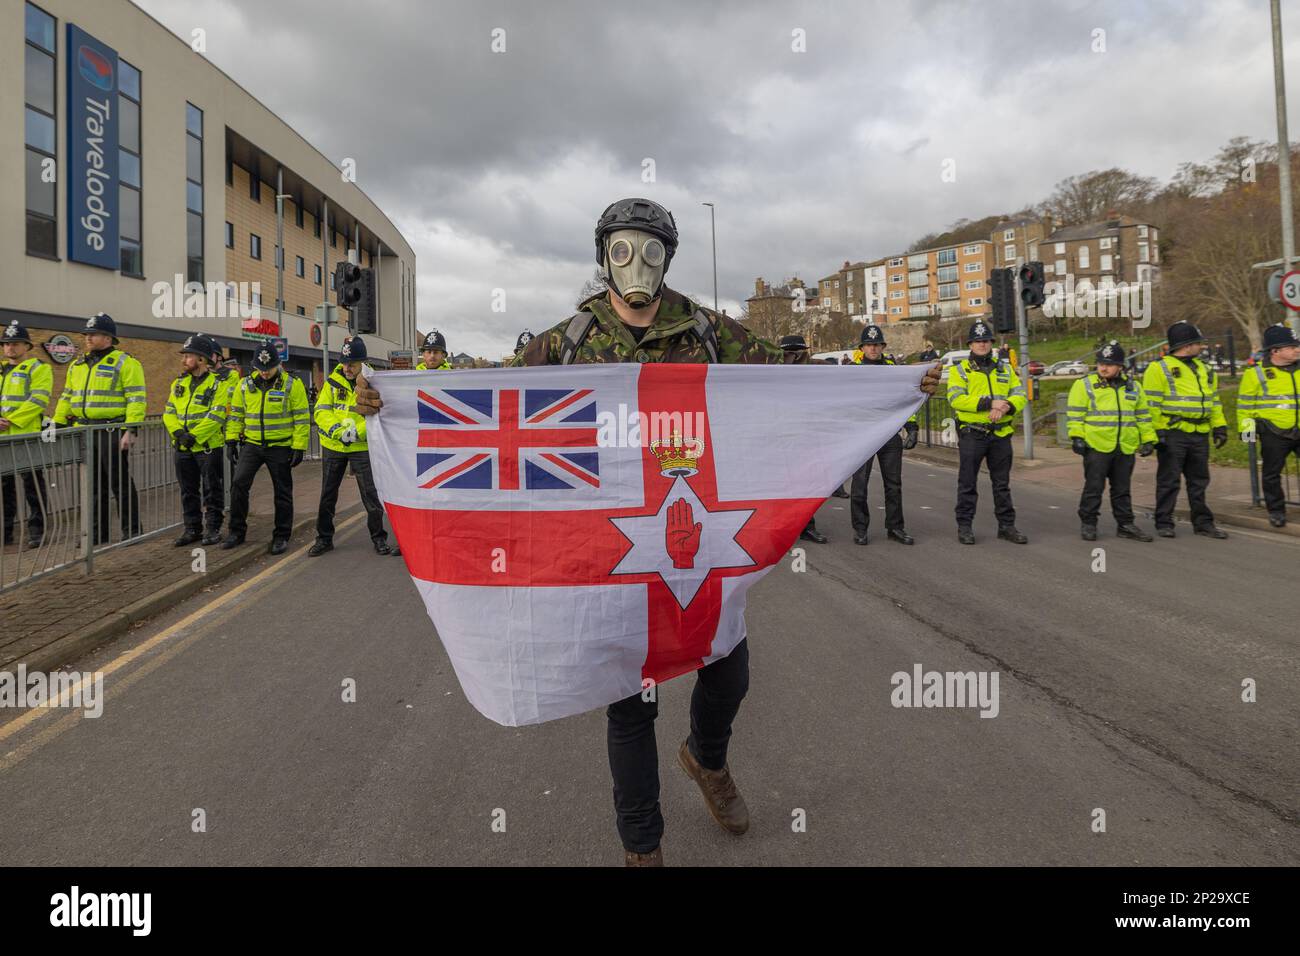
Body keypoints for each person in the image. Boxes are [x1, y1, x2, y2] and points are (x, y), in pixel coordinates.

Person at [353, 197, 942, 866]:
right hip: (614, 555)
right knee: (630, 705)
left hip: (701, 539)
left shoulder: (714, 334)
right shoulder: (566, 343)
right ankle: (643, 845)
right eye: (623, 248)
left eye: (651, 249)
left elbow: (795, 389)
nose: (637, 263)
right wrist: (392, 402)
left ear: (669, 258)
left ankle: (707, 760)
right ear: (603, 257)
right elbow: (492, 401)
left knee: (729, 672)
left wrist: (899, 386)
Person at [53, 313, 146, 544]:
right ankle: (96, 535)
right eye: (86, 334)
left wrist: (131, 429)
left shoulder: (125, 362)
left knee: (119, 483)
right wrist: (57, 422)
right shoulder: (78, 365)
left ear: (108, 337)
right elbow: (67, 396)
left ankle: (132, 532)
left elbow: (136, 398)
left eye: (92, 334)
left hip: (110, 431)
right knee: (92, 487)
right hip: (85, 431)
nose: (87, 338)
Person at [309, 336, 397, 557]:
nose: (347, 368)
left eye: (352, 364)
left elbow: (379, 413)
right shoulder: (332, 382)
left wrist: (358, 432)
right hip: (334, 446)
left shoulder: (374, 382)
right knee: (328, 495)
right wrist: (338, 431)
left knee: (370, 495)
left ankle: (379, 538)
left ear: (363, 363)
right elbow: (321, 411)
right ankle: (324, 539)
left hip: (361, 446)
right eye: (345, 363)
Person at [1141, 321, 1229, 539]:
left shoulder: (1205, 369)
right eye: (1198, 343)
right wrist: (1155, 433)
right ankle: (1164, 521)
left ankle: (1202, 523)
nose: (1201, 347)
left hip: (1199, 433)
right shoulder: (1158, 368)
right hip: (1173, 433)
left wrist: (1219, 426)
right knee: (1169, 481)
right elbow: (1150, 405)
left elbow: (1213, 400)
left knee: (1199, 481)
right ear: (1186, 345)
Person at [947, 319, 1028, 545]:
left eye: (986, 341)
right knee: (967, 483)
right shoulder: (959, 371)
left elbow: (1020, 394)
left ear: (991, 343)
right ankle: (964, 527)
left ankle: (1007, 526)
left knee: (1001, 484)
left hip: (1001, 434)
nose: (982, 345)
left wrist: (1006, 406)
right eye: (977, 341)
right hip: (973, 434)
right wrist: (991, 403)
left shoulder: (1005, 368)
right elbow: (956, 399)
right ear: (970, 344)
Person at [222, 345, 309, 555]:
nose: (264, 372)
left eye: (268, 367)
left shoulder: (291, 384)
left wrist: (299, 446)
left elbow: (301, 417)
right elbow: (236, 414)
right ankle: (236, 532)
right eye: (260, 367)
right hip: (251, 445)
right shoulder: (245, 385)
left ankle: (281, 536)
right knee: (238, 485)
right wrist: (231, 439)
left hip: (280, 446)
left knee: (282, 492)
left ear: (278, 364)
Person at [1067, 341, 1156, 542]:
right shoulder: (1084, 385)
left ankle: (1125, 524)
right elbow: (1075, 415)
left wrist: (1148, 439)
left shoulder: (1134, 387)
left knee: (1122, 489)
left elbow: (1142, 416)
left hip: (1124, 446)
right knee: (1094, 487)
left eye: (1109, 364)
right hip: (1096, 446)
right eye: (1100, 363)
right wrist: (1077, 437)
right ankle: (1089, 523)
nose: (1104, 368)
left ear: (1120, 366)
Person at [849, 324, 917, 545]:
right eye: (869, 345)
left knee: (893, 485)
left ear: (882, 346)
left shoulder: (893, 368)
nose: (873, 349)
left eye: (877, 345)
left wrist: (913, 426)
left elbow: (906, 398)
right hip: (863, 435)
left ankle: (895, 528)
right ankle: (860, 529)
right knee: (859, 486)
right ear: (863, 347)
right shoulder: (852, 370)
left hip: (889, 434)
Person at [163, 334, 230, 547]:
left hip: (208, 447)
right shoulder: (178, 383)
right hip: (182, 446)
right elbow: (168, 412)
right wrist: (178, 434)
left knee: (212, 490)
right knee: (187, 490)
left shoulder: (218, 385)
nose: (183, 361)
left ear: (201, 359)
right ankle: (192, 528)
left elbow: (218, 414)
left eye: (188, 356)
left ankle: (213, 529)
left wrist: (195, 436)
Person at [1237, 323, 1300, 528]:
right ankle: (1276, 510)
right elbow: (1245, 405)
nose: (1297, 349)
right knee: (1272, 474)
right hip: (1273, 432)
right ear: (1275, 351)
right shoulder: (1255, 374)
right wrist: (1246, 431)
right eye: (1292, 347)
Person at [0, 321, 52, 548]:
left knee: (33, 486)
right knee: (5, 488)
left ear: (27, 346)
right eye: (6, 344)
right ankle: (6, 533)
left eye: (15, 343)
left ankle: (37, 532)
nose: (10, 348)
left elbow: (38, 400)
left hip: (27, 436)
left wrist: (11, 420)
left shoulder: (39, 368)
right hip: (3, 438)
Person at [778, 334, 825, 543]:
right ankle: (781, 526)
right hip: (779, 434)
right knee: (780, 484)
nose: (795, 355)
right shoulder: (770, 371)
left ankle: (807, 526)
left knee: (805, 484)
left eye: (799, 351)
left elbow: (847, 374)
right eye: (790, 351)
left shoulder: (813, 370)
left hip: (804, 434)